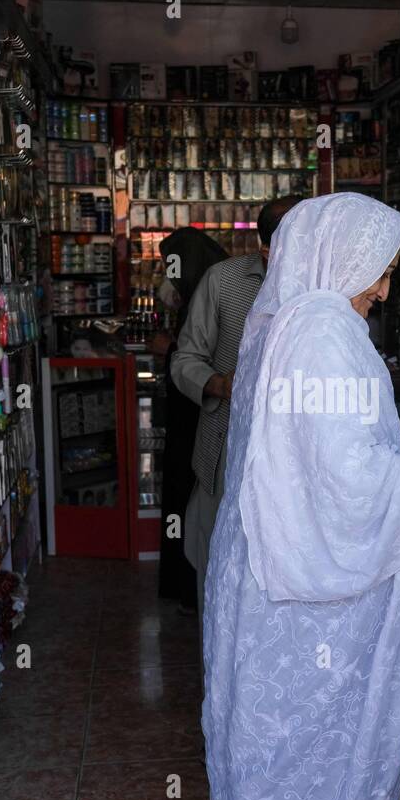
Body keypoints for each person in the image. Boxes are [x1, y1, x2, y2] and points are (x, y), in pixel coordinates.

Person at [202, 193, 400, 800]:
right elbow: (350, 485)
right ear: (341, 258)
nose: (387, 292)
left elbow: (314, 452)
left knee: (268, 759)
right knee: (310, 768)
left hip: (263, 577)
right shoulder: (322, 327)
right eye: (382, 270)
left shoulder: (279, 318)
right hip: (309, 606)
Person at [170, 196, 302, 612]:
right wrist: (218, 383)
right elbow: (185, 358)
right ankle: (219, 660)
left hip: (299, 446)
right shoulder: (222, 281)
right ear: (266, 247)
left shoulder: (327, 286)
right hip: (228, 442)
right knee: (221, 562)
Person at [153, 228, 229, 612]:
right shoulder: (212, 286)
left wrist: (169, 352)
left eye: (171, 266)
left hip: (203, 421)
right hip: (197, 417)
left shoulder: (215, 293)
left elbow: (200, 365)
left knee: (192, 498)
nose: (167, 276)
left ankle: (190, 587)